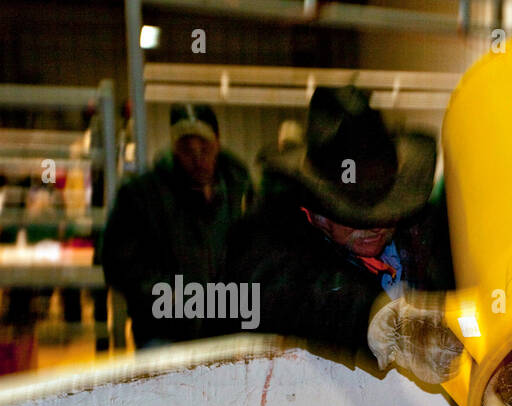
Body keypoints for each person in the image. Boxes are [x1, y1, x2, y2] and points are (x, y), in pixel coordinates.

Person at [228, 85, 462, 385]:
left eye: (387, 211)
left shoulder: (424, 235)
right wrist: (381, 320)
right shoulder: (269, 241)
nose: (375, 226)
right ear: (318, 211)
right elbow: (287, 290)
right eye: (354, 215)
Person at [101, 104, 254, 348]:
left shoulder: (242, 194)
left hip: (227, 332)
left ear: (217, 142)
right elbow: (118, 264)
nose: (196, 158)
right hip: (165, 332)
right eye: (186, 149)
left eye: (203, 147)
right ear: (174, 148)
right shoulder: (142, 197)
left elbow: (257, 256)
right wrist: (166, 296)